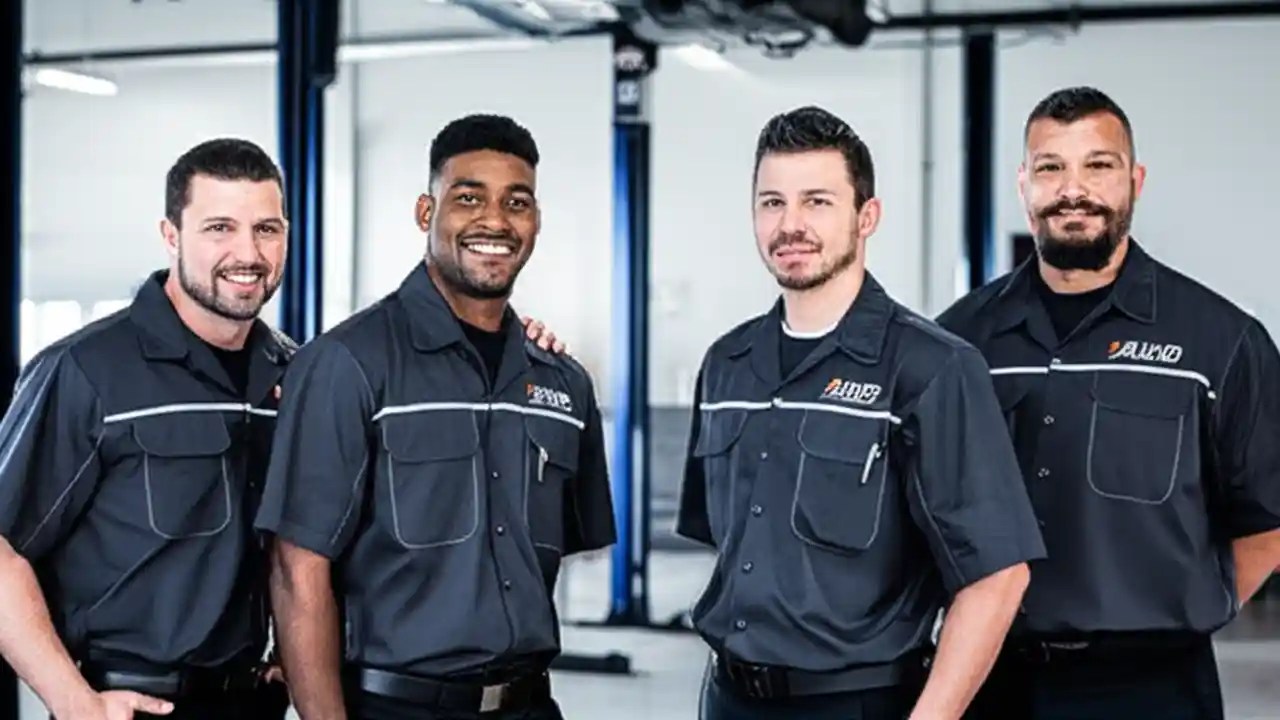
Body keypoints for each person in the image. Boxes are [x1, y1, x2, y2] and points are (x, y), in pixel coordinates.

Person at [675, 105, 1047, 720]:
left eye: (817, 201)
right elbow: (729, 542)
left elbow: (998, 577)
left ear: (865, 215)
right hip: (728, 699)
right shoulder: (726, 364)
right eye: (772, 203)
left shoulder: (931, 368)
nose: (790, 224)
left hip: (858, 702)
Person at [254, 113, 615, 720]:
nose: (495, 221)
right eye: (467, 197)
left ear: (536, 221)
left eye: (516, 202)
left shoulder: (563, 382)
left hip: (531, 704)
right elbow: (297, 571)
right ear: (427, 213)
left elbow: (556, 549)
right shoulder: (348, 364)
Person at [938, 86, 1280, 720]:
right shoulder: (959, 342)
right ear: (1023, 184)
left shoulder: (1221, 342)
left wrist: (1187, 606)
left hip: (1152, 687)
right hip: (992, 678)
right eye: (1051, 167)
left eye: (1099, 165)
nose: (1075, 189)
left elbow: (1267, 524)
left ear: (1135, 179)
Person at [0, 138, 295, 719]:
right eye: (219, 228)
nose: (248, 252)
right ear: (171, 235)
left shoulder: (294, 375)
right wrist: (73, 702)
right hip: (134, 705)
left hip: (255, 703)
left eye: (267, 229)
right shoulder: (87, 371)